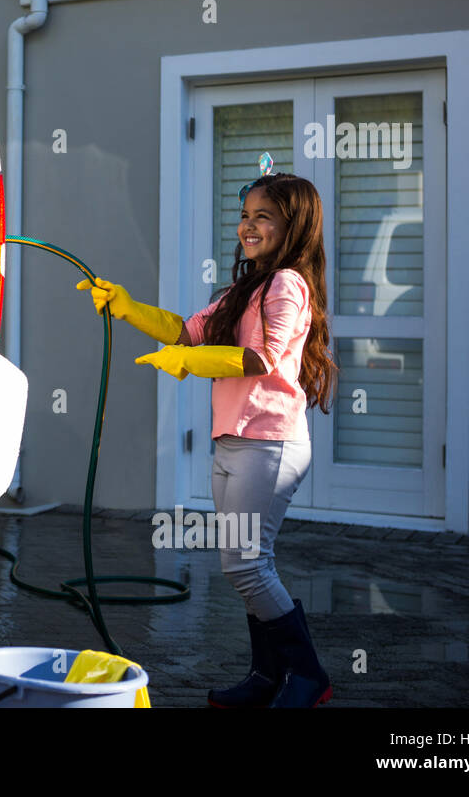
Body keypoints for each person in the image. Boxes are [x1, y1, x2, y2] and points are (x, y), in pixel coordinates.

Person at [77, 172, 337, 708]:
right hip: (234, 444)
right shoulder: (245, 288)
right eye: (245, 215)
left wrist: (190, 364)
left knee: (246, 564)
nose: (248, 225)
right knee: (246, 566)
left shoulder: (288, 284)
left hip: (271, 444)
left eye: (263, 216)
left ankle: (309, 676)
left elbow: (258, 358)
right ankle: (267, 678)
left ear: (295, 226)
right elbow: (185, 331)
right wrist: (127, 306)